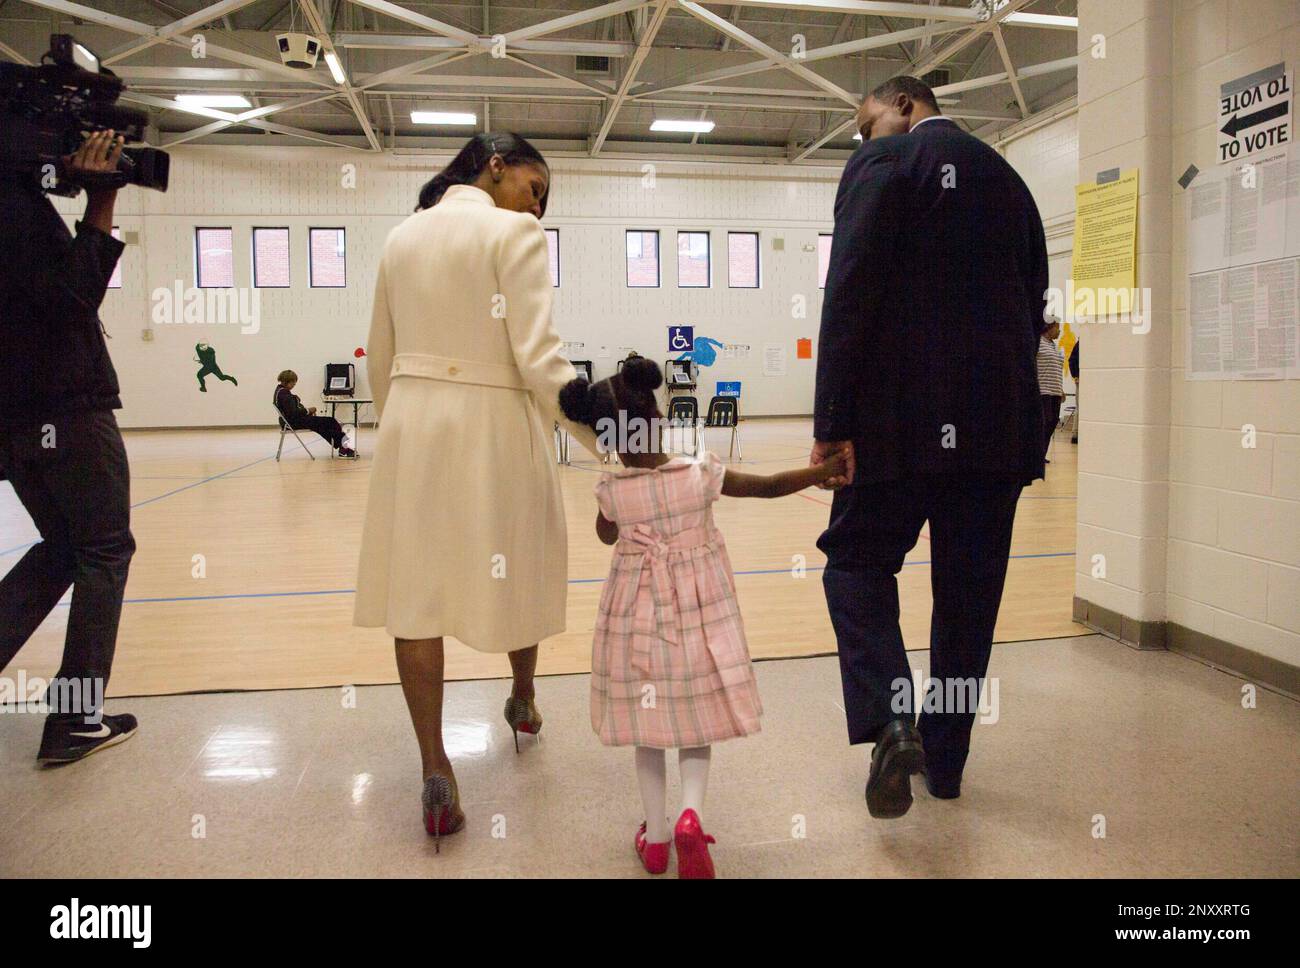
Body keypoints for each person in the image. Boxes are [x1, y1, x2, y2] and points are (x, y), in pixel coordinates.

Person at [811, 76, 1048, 819]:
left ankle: (892, 721)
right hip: (995, 437)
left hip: (893, 429)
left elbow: (848, 292)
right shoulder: (1013, 183)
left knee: (855, 563)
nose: (863, 137)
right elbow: (1035, 308)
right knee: (968, 604)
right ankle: (945, 767)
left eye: (866, 121)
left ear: (906, 105)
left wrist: (831, 424)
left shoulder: (884, 167)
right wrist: (1031, 436)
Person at [354, 132, 597, 846]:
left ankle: (436, 767)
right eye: (536, 187)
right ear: (496, 164)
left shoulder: (402, 236)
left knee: (415, 594)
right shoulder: (514, 233)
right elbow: (539, 356)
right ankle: (521, 698)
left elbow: (381, 357)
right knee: (517, 562)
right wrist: (607, 438)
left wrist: (401, 423)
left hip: (412, 428)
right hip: (496, 428)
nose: (539, 207)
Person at [560, 357, 846, 878]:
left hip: (635, 623)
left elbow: (606, 535)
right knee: (694, 723)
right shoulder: (699, 474)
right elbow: (766, 486)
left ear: (607, 439)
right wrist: (820, 473)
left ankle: (656, 837)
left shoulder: (611, 490)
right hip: (698, 619)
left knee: (646, 731)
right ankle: (691, 818)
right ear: (660, 417)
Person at [0, 129, 139, 764]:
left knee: (63, 548)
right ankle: (75, 720)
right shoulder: (15, 207)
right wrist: (103, 202)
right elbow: (70, 302)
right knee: (104, 549)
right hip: (66, 409)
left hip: (17, 415)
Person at [273, 370, 355, 458]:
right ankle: (344, 447)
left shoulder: (280, 391)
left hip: (292, 421)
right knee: (330, 421)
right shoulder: (284, 393)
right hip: (293, 422)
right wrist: (309, 410)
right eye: (293, 382)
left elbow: (292, 411)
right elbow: (293, 413)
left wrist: (307, 412)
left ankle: (342, 447)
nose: (294, 384)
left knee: (324, 425)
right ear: (287, 381)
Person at [1037, 317, 1065, 464]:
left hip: (1055, 391)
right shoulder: (1038, 343)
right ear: (1049, 327)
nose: (1059, 331)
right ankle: (1035, 455)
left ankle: (1041, 454)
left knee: (1053, 422)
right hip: (1043, 390)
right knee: (1044, 422)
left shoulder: (1054, 346)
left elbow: (1057, 370)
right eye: (1057, 327)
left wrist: (1061, 390)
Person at [1068, 337, 1080, 444]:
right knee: (1079, 408)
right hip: (1081, 380)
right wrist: (1076, 375)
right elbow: (1071, 360)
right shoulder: (1080, 343)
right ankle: (1075, 434)